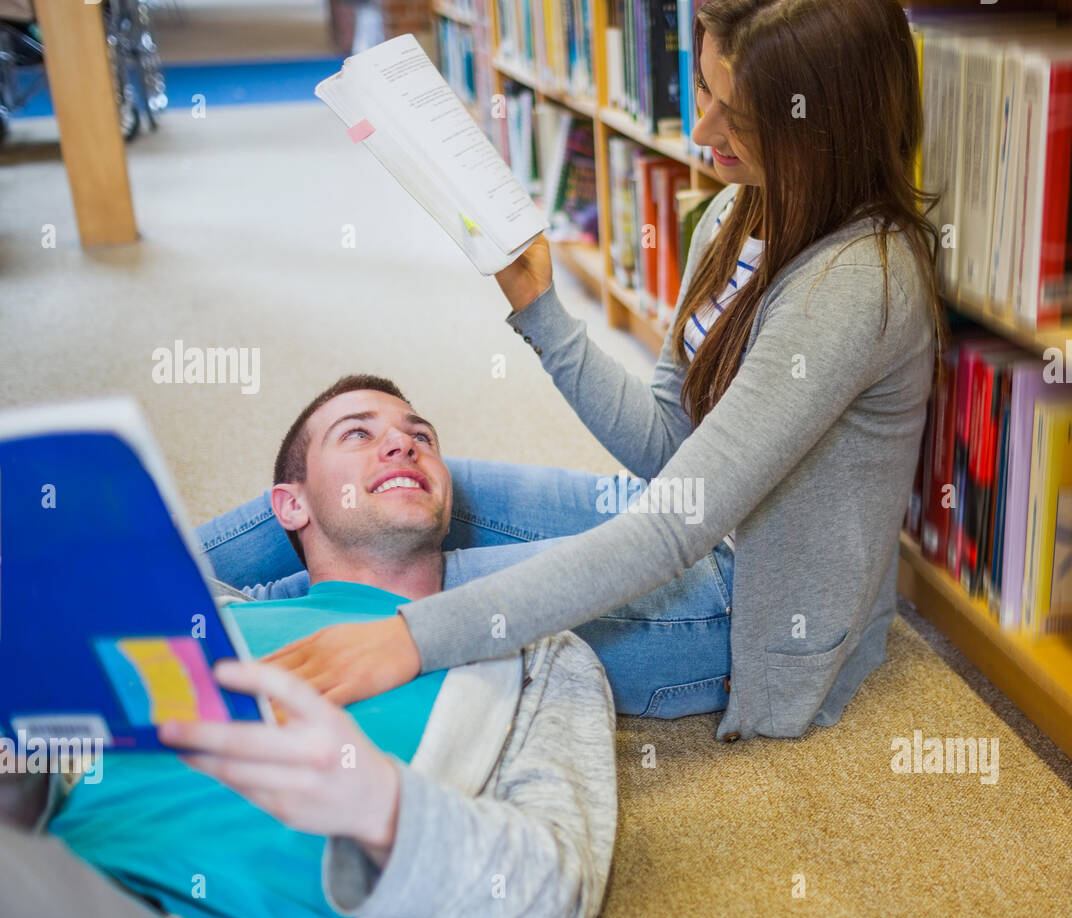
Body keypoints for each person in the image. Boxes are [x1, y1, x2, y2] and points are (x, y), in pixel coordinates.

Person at [197, 0, 942, 743]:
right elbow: (667, 447)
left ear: (821, 127)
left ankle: (204, 639)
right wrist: (540, 309)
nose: (701, 131)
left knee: (401, 585)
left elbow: (669, 530)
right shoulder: (736, 216)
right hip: (695, 524)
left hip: (752, 607)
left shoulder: (855, 283)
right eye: (704, 92)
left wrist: (412, 637)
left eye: (737, 117)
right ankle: (138, 573)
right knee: (399, 493)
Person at [0, 377, 617, 918]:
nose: (402, 444)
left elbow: (548, 905)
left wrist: (382, 806)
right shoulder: (207, 620)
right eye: (358, 432)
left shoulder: (534, 657)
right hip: (58, 871)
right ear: (290, 505)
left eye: (420, 435)